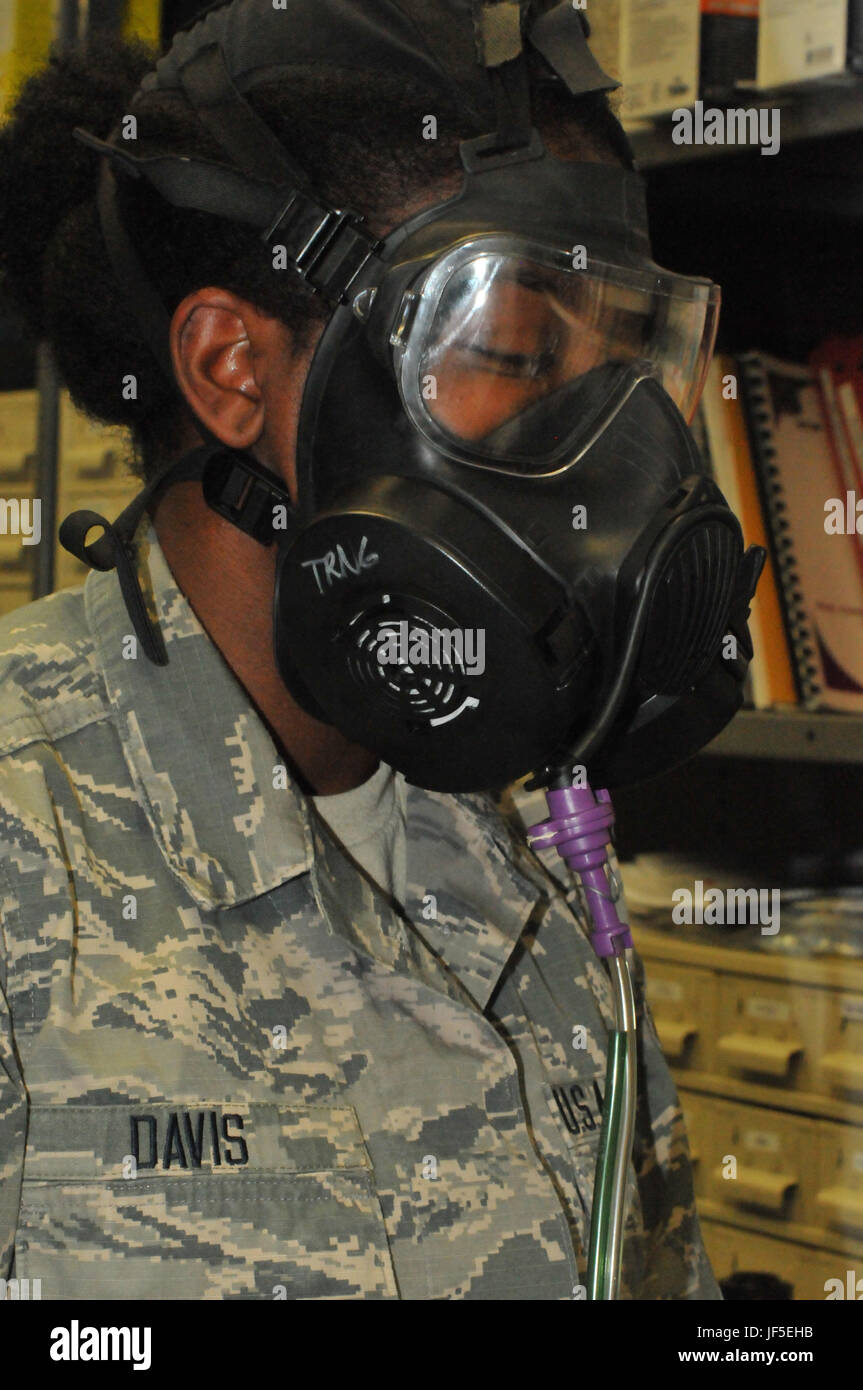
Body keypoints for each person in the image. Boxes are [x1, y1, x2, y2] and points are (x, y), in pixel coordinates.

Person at [0, 0, 723, 1300]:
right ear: (232, 368)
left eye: (626, 359)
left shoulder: (543, 858)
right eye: (513, 349)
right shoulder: (25, 846)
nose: (605, 453)